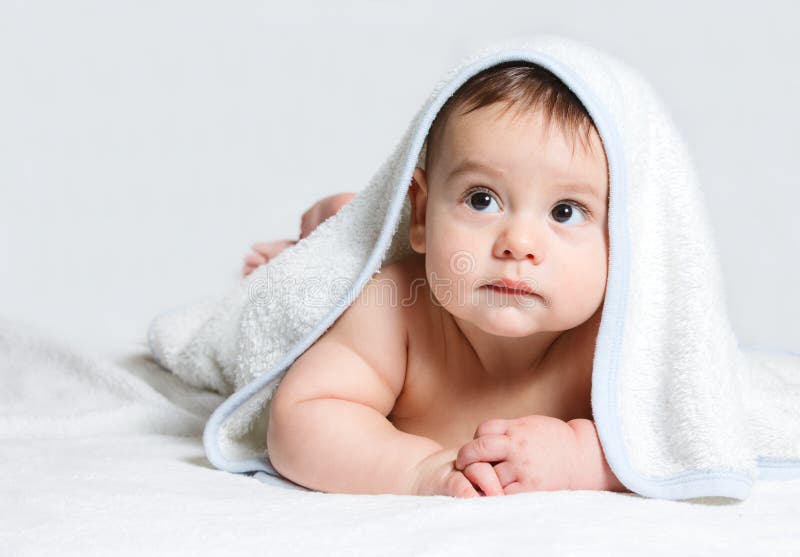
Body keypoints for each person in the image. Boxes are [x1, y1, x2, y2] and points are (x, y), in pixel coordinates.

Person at [256, 61, 627, 497]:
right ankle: (329, 224)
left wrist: (581, 458)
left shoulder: (616, 339)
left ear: (621, 233)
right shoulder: (397, 306)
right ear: (420, 214)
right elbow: (301, 418)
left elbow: (670, 440)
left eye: (565, 211)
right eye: (482, 199)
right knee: (342, 245)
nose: (518, 243)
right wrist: (418, 471)